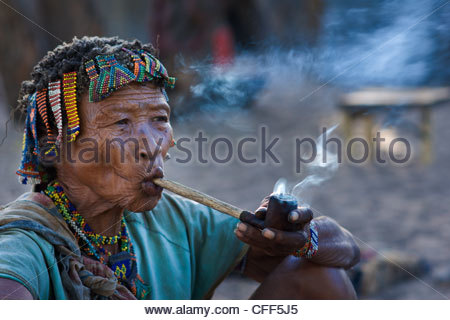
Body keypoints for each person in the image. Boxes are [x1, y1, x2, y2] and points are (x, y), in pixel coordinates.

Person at [0, 36, 359, 300]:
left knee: (319, 280)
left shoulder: (174, 219)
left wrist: (299, 237)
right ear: (51, 146)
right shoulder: (25, 242)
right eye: (121, 123)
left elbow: (346, 251)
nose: (151, 144)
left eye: (160, 119)